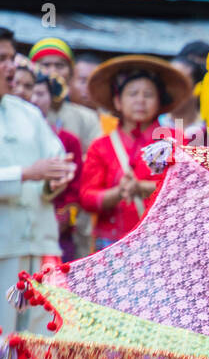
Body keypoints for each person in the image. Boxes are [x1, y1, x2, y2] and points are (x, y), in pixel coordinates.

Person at [0, 27, 76, 359]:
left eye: (10, 57)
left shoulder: (28, 113)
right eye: (2, 58)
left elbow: (56, 166)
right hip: (3, 246)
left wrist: (55, 178)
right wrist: (25, 173)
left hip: (39, 244)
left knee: (35, 345)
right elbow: (32, 169)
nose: (10, 66)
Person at [80, 55, 189, 252]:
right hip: (111, 246)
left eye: (148, 95)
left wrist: (142, 187)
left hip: (163, 243)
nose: (140, 100)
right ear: (118, 101)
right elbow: (87, 197)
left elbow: (187, 189)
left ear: (159, 101)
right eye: (132, 94)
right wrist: (118, 193)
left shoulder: (176, 141)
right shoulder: (101, 146)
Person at [28, 72, 85, 264]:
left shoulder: (68, 140)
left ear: (52, 98)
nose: (34, 99)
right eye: (28, 90)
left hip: (58, 229)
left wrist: (64, 217)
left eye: (40, 93)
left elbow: (75, 186)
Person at [29, 37, 102, 153]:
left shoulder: (88, 118)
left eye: (60, 66)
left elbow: (97, 157)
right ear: (31, 70)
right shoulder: (21, 111)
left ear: (70, 73)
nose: (53, 71)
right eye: (46, 65)